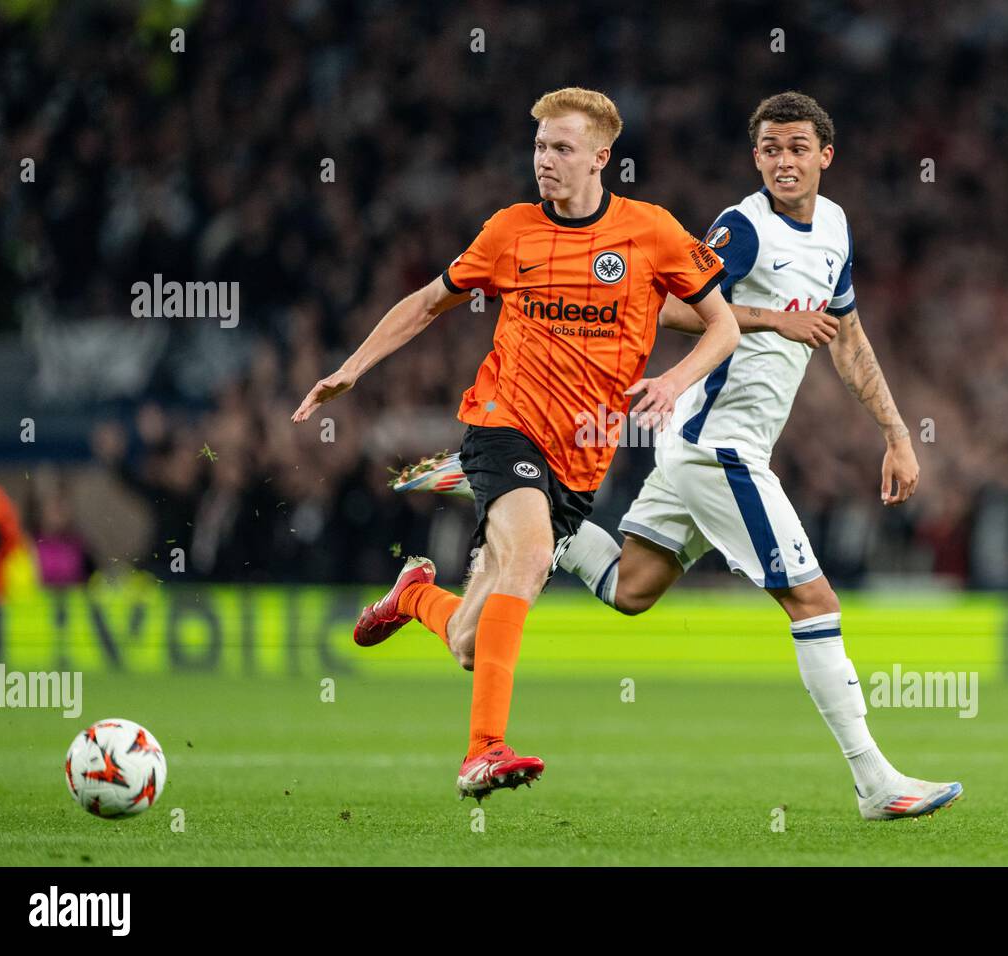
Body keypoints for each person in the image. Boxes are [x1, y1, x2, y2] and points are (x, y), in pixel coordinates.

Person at [399, 92, 962, 820]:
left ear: (827, 156)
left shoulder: (835, 229)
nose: (782, 160)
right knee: (814, 601)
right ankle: (875, 783)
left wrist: (895, 432)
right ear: (754, 156)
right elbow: (658, 299)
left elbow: (845, 336)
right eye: (769, 148)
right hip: (715, 446)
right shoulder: (744, 229)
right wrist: (764, 322)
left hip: (707, 446)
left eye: (797, 147)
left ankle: (507, 501)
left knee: (631, 588)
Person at [292, 87, 739, 801]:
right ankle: (483, 750)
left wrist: (675, 380)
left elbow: (722, 324)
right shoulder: (510, 231)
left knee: (471, 643)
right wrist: (350, 367)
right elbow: (427, 301)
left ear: (601, 157)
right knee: (531, 556)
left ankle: (414, 599)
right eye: (539, 147)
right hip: (503, 426)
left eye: (561, 148)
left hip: (580, 460)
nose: (545, 161)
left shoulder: (650, 232)